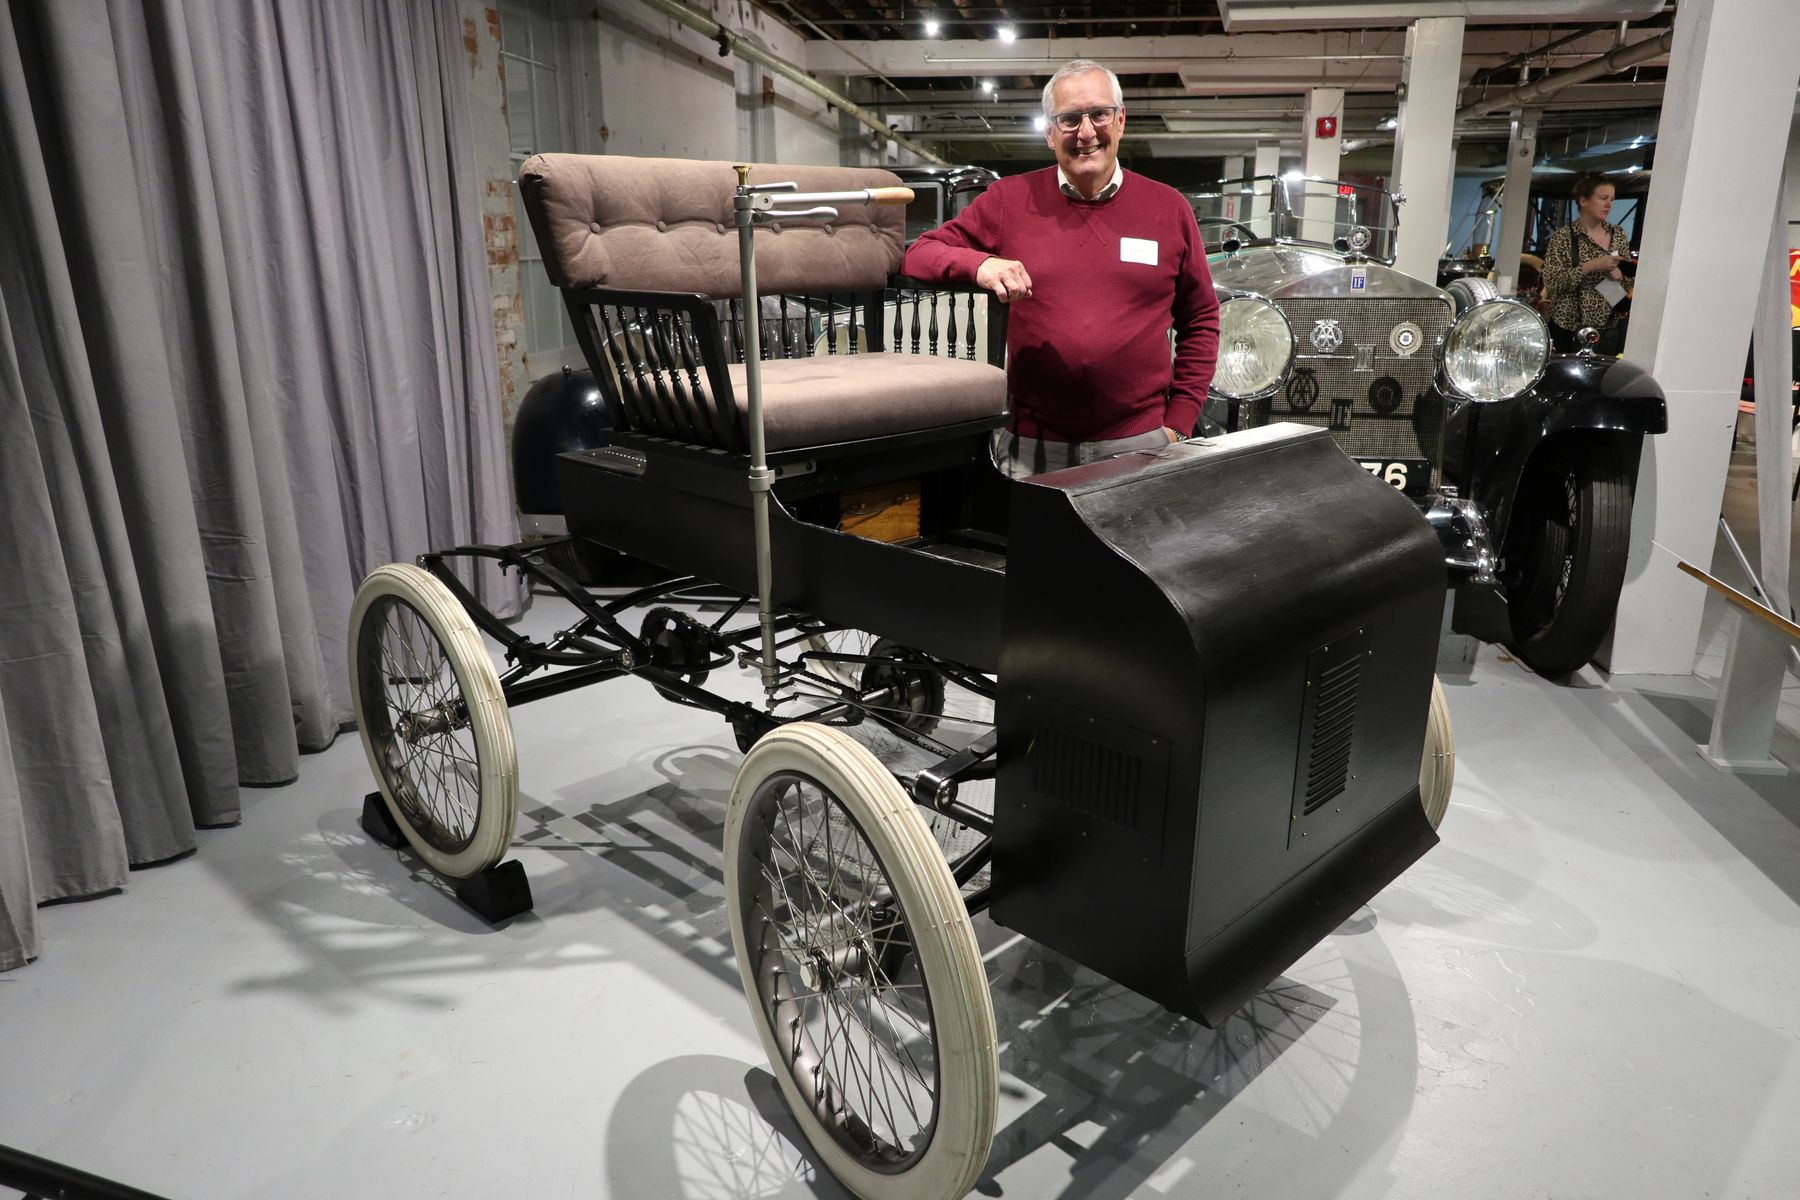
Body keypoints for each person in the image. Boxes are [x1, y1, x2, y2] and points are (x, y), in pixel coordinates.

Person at [901, 59, 1221, 478]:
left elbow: (1200, 317)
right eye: (1069, 119)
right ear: (1050, 133)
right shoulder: (1008, 201)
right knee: (1036, 546)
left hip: (1142, 445)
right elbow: (920, 253)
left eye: (1098, 115)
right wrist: (978, 263)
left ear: (1120, 121)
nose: (1086, 132)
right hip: (1033, 446)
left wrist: (1178, 423)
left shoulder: (1168, 208)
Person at [1539, 172, 1633, 353]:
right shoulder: (1564, 237)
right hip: (1568, 327)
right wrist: (1593, 265)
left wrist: (1621, 275)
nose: (1609, 205)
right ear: (1583, 201)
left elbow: (1630, 278)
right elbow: (1553, 282)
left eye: (1612, 199)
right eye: (1603, 198)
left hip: (1608, 329)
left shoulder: (1618, 234)